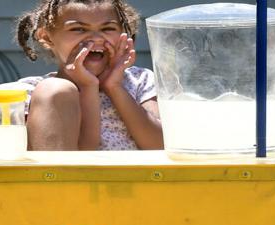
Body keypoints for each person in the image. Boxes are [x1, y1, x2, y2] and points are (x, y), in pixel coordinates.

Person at [14, 0, 163, 151]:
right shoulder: (32, 92)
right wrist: (88, 87)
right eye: (78, 29)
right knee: (54, 89)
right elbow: (85, 151)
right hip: (71, 168)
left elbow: (160, 145)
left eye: (108, 28)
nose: (96, 38)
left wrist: (114, 87)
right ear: (47, 37)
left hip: (138, 168)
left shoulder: (138, 80)